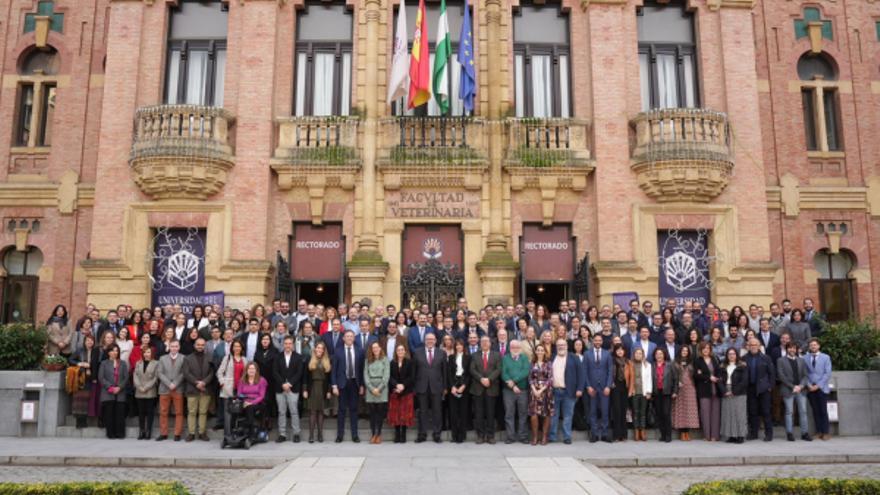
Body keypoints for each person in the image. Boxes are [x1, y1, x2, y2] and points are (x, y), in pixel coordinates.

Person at [548, 339, 585, 444]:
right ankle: (552, 437)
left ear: (567, 346)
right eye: (559, 345)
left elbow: (581, 375)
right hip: (554, 391)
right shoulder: (552, 357)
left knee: (568, 415)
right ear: (556, 346)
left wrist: (579, 389)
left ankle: (567, 437)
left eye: (563, 345)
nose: (561, 347)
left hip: (569, 392)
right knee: (554, 415)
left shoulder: (574, 357)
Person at [331, 330, 364, 442]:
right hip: (342, 384)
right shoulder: (338, 351)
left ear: (354, 338)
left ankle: (355, 435)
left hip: (355, 383)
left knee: (354, 409)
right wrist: (334, 385)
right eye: (347, 336)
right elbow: (334, 370)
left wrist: (362, 385)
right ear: (343, 338)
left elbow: (361, 370)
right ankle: (340, 435)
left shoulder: (359, 350)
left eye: (351, 336)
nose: (349, 338)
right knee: (341, 409)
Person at [413, 333, 447, 443]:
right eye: (428, 339)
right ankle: (422, 434)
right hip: (421, 387)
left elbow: (444, 372)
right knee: (422, 411)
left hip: (437, 387)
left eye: (432, 339)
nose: (430, 341)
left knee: (437, 411)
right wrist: (414, 387)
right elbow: (414, 371)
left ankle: (437, 434)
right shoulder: (417, 353)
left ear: (436, 340)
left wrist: (445, 387)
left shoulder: (441, 353)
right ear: (424, 340)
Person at [777, 341, 812, 442]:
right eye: (790, 348)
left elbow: (805, 375)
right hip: (788, 390)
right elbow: (781, 376)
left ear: (796, 349)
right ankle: (789, 433)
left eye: (794, 348)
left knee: (803, 412)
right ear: (787, 349)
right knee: (789, 412)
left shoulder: (801, 360)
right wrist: (793, 386)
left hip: (801, 390)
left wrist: (800, 386)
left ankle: (804, 433)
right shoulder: (780, 360)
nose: (792, 350)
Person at [470, 335, 501, 444]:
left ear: (490, 343)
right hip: (478, 388)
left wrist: (489, 379)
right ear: (480, 343)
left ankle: (490, 435)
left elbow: (498, 369)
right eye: (482, 341)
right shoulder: (474, 355)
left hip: (491, 388)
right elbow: (472, 369)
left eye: (486, 341)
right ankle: (480, 435)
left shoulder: (496, 355)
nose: (484, 343)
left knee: (490, 413)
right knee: (479, 413)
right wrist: (481, 379)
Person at [273, 336, 305, 443]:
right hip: (280, 388)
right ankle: (282, 434)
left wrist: (289, 384)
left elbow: (299, 373)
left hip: (293, 388)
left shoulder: (298, 357)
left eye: (290, 343)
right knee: (281, 412)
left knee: (294, 411)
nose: (288, 345)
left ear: (293, 345)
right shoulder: (277, 357)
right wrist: (283, 384)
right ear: (283, 345)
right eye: (286, 343)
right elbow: (275, 372)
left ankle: (296, 433)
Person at [182, 337, 214, 442]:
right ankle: (191, 433)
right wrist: (197, 382)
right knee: (191, 412)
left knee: (203, 412)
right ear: (194, 345)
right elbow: (186, 373)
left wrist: (204, 382)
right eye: (198, 344)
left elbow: (212, 373)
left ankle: (201, 433)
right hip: (192, 388)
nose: (200, 346)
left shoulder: (210, 357)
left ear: (205, 346)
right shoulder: (187, 358)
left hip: (206, 388)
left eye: (202, 345)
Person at [744, 337, 775, 441]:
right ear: (748, 346)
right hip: (750, 388)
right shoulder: (744, 358)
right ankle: (754, 433)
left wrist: (770, 386)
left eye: (755, 345)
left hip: (763, 388)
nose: (753, 347)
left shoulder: (766, 358)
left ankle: (769, 434)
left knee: (766, 411)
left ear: (759, 346)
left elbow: (772, 373)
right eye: (751, 345)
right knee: (753, 412)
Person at [69, 333, 101, 427]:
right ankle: (79, 421)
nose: (89, 342)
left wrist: (94, 376)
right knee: (78, 400)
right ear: (84, 341)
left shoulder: (96, 351)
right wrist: (80, 363)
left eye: (91, 341)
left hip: (90, 379)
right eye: (87, 340)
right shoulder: (79, 350)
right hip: (80, 378)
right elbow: (70, 360)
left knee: (87, 400)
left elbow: (96, 365)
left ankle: (85, 420)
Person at [585, 334, 613, 443]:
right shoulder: (587, 354)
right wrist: (588, 386)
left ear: (602, 342)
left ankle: (605, 434)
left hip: (604, 388)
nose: (597, 342)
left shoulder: (607, 354)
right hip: (592, 387)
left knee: (605, 411)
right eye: (595, 340)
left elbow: (610, 371)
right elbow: (585, 371)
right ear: (593, 341)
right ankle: (594, 434)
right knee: (593, 412)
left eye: (599, 340)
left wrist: (608, 386)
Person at [501, 340, 530, 444]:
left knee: (523, 414)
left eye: (517, 347)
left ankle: (523, 436)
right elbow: (503, 373)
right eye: (513, 347)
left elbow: (525, 371)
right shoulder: (505, 358)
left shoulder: (524, 358)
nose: (515, 349)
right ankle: (510, 437)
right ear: (510, 348)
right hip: (508, 391)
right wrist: (513, 386)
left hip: (522, 390)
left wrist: (513, 381)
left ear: (520, 348)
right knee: (509, 414)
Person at [156, 340, 185, 441]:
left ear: (179, 347)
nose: (174, 348)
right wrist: (169, 384)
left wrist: (175, 383)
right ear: (169, 347)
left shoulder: (183, 358)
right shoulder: (162, 358)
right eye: (172, 346)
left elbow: (183, 373)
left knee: (179, 412)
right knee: (163, 412)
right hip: (165, 388)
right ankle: (163, 433)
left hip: (178, 388)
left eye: (176, 346)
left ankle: (177, 434)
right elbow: (159, 373)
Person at [98, 343, 129, 439]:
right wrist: (110, 387)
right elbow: (101, 377)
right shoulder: (104, 363)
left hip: (120, 392)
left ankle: (120, 433)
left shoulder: (123, 363)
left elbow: (126, 377)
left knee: (120, 414)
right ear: (108, 352)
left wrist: (119, 387)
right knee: (109, 413)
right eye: (112, 350)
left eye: (116, 350)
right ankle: (110, 433)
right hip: (108, 392)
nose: (114, 352)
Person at [217, 340, 247, 437]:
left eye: (239, 346)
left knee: (238, 412)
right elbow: (219, 372)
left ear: (241, 348)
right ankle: (227, 435)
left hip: (240, 389)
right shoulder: (227, 358)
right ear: (232, 348)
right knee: (228, 412)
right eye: (235, 346)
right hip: (228, 388)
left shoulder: (244, 359)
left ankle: (236, 433)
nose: (237, 348)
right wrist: (222, 383)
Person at [303, 341, 332, 443]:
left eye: (321, 348)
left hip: (323, 388)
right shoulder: (309, 360)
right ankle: (311, 435)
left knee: (321, 412)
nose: (319, 350)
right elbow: (305, 377)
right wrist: (305, 389)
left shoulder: (327, 361)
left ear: (324, 351)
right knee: (312, 412)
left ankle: (320, 434)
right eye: (318, 348)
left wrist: (329, 391)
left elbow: (329, 379)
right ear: (315, 349)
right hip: (313, 388)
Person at [805, 338, 832, 440]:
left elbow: (827, 373)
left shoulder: (826, 357)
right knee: (815, 411)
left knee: (823, 411)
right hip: (810, 388)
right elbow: (804, 374)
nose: (813, 347)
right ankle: (819, 431)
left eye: (815, 345)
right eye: (811, 345)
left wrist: (818, 385)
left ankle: (825, 432)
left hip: (822, 388)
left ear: (819, 346)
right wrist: (809, 385)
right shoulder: (805, 358)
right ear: (809, 347)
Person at [694, 341, 722, 442]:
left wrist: (712, 377)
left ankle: (715, 436)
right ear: (701, 350)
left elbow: (718, 372)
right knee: (705, 413)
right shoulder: (698, 361)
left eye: (708, 348)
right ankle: (707, 435)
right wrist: (709, 377)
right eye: (704, 348)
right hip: (704, 390)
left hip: (716, 390)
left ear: (710, 349)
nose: (706, 350)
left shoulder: (714, 359)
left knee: (715, 413)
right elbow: (696, 375)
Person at [671, 345, 700, 441]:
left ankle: (687, 432)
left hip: (690, 388)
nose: (684, 352)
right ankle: (682, 433)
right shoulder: (675, 362)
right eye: (683, 350)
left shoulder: (691, 363)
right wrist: (676, 382)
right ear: (680, 351)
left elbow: (695, 375)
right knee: (681, 410)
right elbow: (673, 375)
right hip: (679, 389)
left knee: (689, 410)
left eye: (686, 351)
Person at [388, 343, 415, 443]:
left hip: (406, 391)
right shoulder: (392, 363)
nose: (400, 352)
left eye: (402, 350)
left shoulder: (409, 362)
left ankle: (403, 434)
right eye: (398, 350)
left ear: (405, 351)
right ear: (396, 352)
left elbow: (412, 377)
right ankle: (397, 434)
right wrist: (396, 385)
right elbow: (390, 377)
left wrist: (403, 385)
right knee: (396, 414)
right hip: (395, 391)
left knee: (405, 414)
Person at [364, 341, 390, 444]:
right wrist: (371, 388)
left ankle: (378, 434)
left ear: (380, 348)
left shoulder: (385, 360)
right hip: (370, 389)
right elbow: (365, 375)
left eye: (377, 347)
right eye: (373, 347)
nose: (375, 349)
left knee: (379, 413)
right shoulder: (367, 360)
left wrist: (379, 389)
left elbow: (386, 376)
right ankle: (373, 434)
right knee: (372, 414)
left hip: (382, 389)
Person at [720, 347, 748, 443]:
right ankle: (731, 435)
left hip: (739, 393)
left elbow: (744, 381)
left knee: (739, 414)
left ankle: (740, 435)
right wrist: (724, 391)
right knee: (728, 415)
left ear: (736, 355)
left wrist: (734, 391)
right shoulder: (722, 366)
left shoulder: (742, 366)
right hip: (726, 392)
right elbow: (719, 381)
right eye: (729, 354)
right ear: (727, 356)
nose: (731, 356)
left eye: (733, 354)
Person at [528, 344, 554, 445]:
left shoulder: (548, 364)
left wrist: (541, 390)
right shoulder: (532, 363)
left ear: (544, 352)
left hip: (546, 392)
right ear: (535, 352)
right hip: (534, 392)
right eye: (538, 350)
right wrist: (534, 389)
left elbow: (550, 379)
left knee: (546, 414)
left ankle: (544, 437)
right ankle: (535, 437)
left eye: (542, 350)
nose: (540, 352)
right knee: (534, 415)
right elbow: (530, 378)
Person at [447, 339, 471, 444]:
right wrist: (452, 386)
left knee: (463, 411)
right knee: (453, 412)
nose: (458, 347)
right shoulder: (451, 357)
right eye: (457, 345)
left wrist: (464, 385)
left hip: (464, 386)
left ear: (463, 346)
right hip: (453, 386)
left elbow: (469, 374)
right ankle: (454, 435)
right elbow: (449, 373)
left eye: (460, 345)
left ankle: (462, 435)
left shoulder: (468, 358)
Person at [133, 346, 159, 440]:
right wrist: (139, 386)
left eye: (148, 352)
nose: (146, 354)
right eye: (145, 352)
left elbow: (156, 377)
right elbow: (135, 376)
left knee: (150, 412)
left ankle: (148, 431)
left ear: (151, 353)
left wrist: (146, 387)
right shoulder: (138, 363)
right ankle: (141, 431)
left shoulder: (156, 363)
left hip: (150, 391)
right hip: (139, 391)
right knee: (141, 412)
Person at [652, 347, 677, 443]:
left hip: (667, 392)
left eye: (661, 354)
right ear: (655, 355)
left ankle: (668, 435)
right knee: (659, 414)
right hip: (656, 392)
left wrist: (675, 391)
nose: (659, 355)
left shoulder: (669, 365)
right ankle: (662, 435)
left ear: (664, 355)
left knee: (666, 413)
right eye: (657, 354)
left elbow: (675, 379)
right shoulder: (652, 365)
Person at [609, 344, 631, 442]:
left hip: (625, 387)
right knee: (617, 410)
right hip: (615, 387)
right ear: (615, 351)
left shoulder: (628, 362)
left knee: (623, 411)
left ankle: (624, 434)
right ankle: (616, 435)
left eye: (622, 350)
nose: (620, 351)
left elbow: (631, 376)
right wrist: (611, 382)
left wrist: (631, 388)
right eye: (618, 350)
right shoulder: (612, 361)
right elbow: (609, 373)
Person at [238, 362, 268, 437]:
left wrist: (251, 403)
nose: (251, 370)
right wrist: (244, 401)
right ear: (246, 370)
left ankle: (248, 430)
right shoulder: (242, 380)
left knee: (250, 408)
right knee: (233, 408)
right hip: (244, 402)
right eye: (249, 368)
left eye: (253, 369)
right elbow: (239, 394)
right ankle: (237, 430)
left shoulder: (262, 380)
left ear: (256, 370)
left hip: (258, 403)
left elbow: (261, 396)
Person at [629, 347, 652, 441]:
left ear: (643, 355)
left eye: (640, 353)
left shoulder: (647, 365)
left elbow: (649, 379)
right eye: (636, 353)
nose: (638, 355)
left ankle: (642, 431)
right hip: (634, 392)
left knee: (643, 413)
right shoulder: (630, 364)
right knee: (635, 412)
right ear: (634, 355)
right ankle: (636, 432)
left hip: (644, 392)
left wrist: (649, 391)